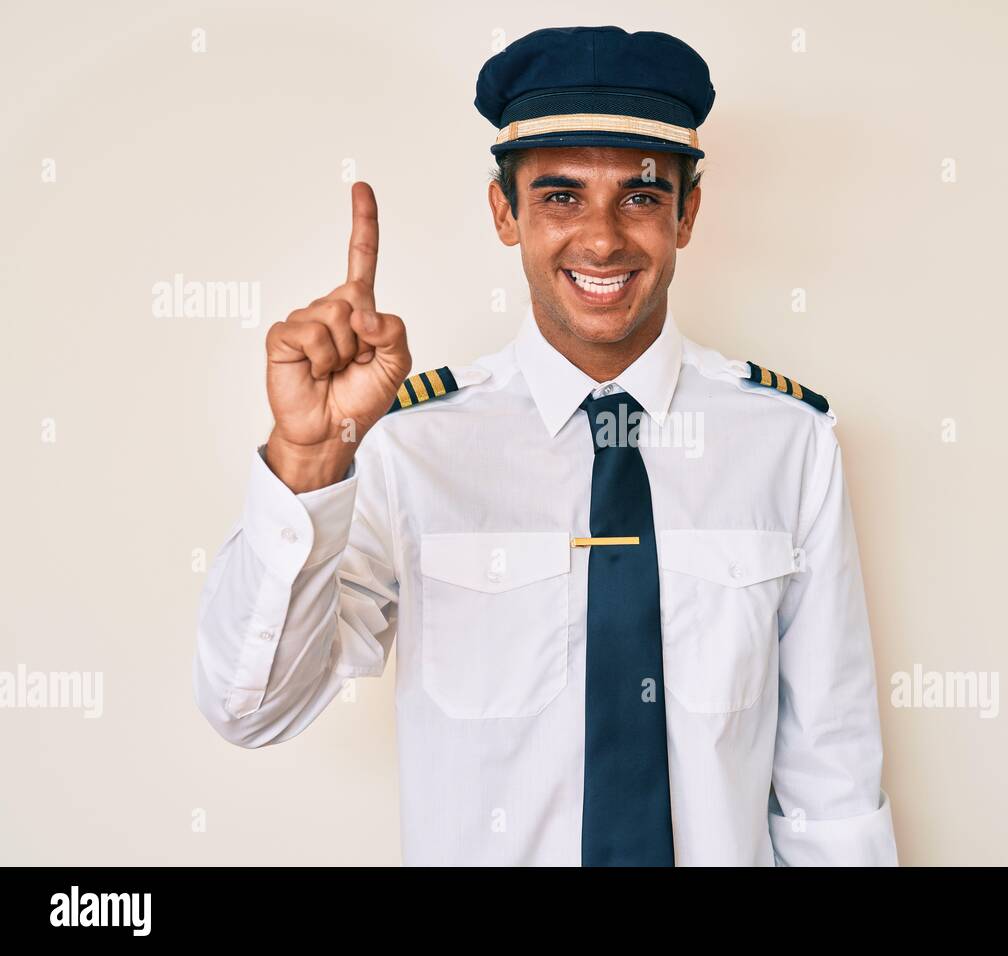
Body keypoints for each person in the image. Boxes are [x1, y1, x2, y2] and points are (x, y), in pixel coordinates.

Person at [193, 24, 898, 866]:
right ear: (505, 212)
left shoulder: (789, 444)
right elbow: (252, 708)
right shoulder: (405, 449)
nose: (601, 240)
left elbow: (834, 787)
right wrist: (308, 458)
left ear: (688, 213)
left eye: (638, 196)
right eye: (561, 196)